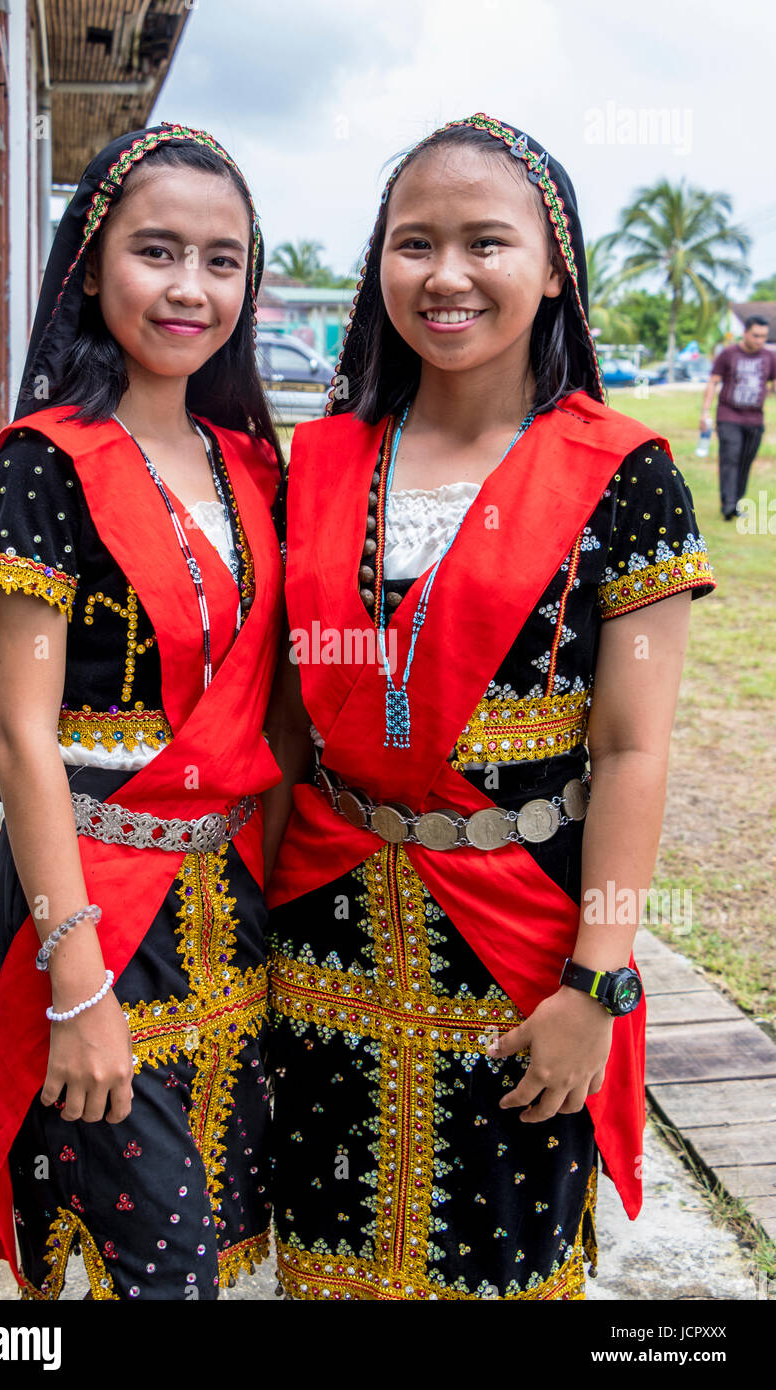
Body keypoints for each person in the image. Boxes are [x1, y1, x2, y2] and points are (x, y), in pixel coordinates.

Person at [262, 114, 716, 1302]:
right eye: (412, 242)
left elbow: (630, 752)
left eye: (485, 242)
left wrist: (597, 985)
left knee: (500, 1261)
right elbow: (286, 727)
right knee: (324, 1258)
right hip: (321, 942)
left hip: (520, 950)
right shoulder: (315, 463)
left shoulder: (622, 473)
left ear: (553, 264)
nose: (445, 275)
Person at [0, 123, 285, 1300]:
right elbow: (18, 736)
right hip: (87, 912)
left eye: (222, 260)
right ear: (90, 265)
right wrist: (77, 982)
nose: (189, 288)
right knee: (152, 1263)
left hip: (226, 909)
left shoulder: (251, 464)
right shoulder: (38, 463)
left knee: (212, 1249)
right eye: (156, 251)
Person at [701, 314, 775, 519]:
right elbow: (713, 382)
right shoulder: (728, 354)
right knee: (730, 458)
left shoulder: (769, 357)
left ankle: (737, 503)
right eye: (756, 335)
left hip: (755, 419)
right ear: (746, 333)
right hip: (729, 415)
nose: (759, 340)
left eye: (763, 336)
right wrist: (705, 411)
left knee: (745, 461)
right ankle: (728, 505)